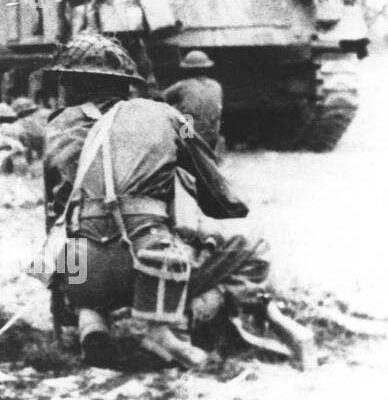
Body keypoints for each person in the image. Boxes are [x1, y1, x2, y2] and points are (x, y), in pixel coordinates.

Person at [39, 34, 273, 369]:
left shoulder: (56, 127)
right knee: (252, 246)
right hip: (146, 265)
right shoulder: (170, 116)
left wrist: (64, 292)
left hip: (79, 274)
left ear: (68, 83)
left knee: (79, 240)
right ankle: (187, 317)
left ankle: (92, 325)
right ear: (126, 85)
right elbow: (218, 191)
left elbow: (53, 217)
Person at [162, 50, 224, 155]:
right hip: (211, 134)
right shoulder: (216, 86)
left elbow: (161, 99)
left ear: (188, 69)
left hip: (189, 135)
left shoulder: (183, 86)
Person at [11, 96, 48, 161]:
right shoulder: (36, 117)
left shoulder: (21, 122)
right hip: (42, 140)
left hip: (34, 141)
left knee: (22, 136)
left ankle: (30, 159)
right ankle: (39, 157)